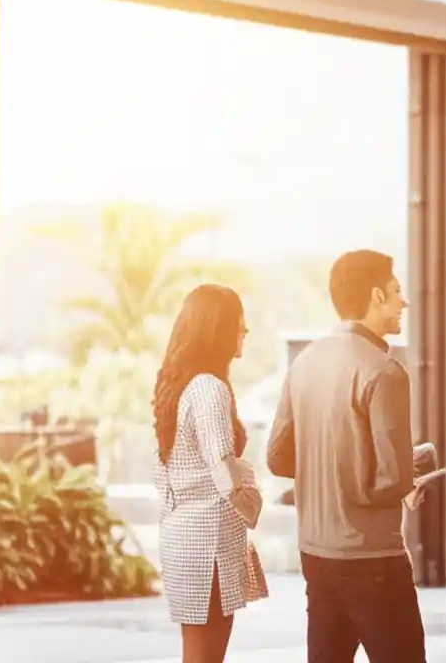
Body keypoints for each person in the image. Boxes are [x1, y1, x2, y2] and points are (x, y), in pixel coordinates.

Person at [266, 249, 429, 663]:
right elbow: (392, 481)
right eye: (396, 291)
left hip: (316, 554)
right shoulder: (384, 371)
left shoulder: (304, 363)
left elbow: (278, 459)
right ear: (376, 296)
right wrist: (411, 472)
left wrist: (332, 461)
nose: (403, 302)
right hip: (372, 558)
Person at [153, 284, 268, 663]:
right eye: (240, 322)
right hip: (209, 548)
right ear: (219, 327)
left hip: (182, 537)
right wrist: (253, 502)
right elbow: (224, 469)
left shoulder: (181, 387)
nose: (245, 331)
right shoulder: (210, 388)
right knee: (206, 657)